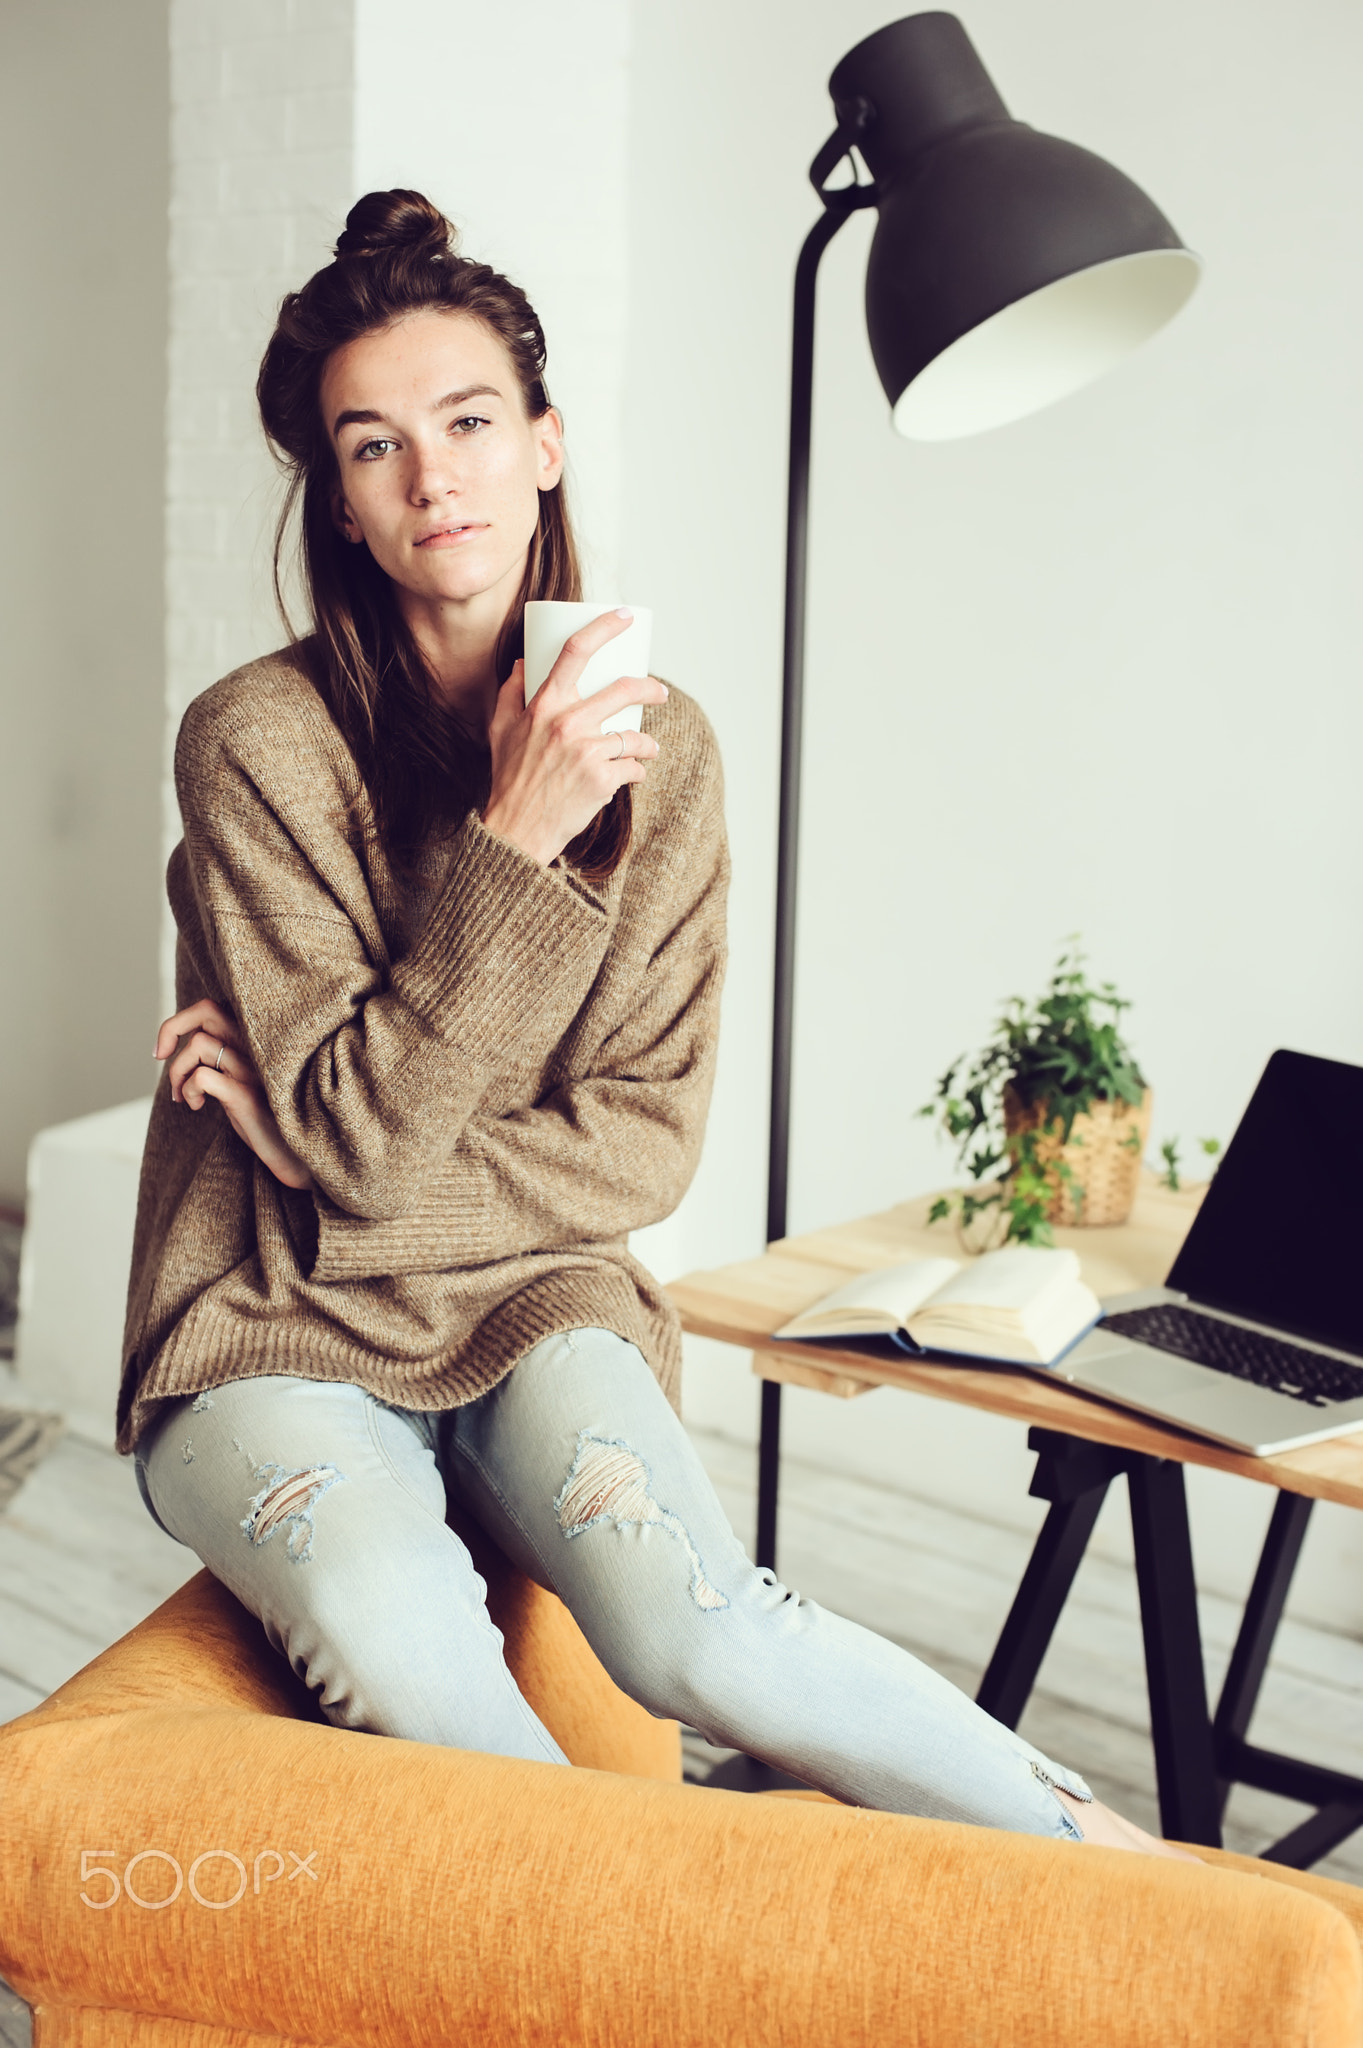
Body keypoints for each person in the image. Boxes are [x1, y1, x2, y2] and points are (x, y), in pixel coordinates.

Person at [123, 187, 1191, 1862]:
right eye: (373, 446)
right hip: (272, 1320)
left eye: (469, 422)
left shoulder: (664, 747)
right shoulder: (255, 742)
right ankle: (660, 1983)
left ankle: (1135, 1888)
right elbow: (370, 1157)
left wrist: (301, 1136)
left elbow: (636, 1143)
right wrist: (515, 847)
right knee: (431, 1691)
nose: (432, 478)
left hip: (532, 1298)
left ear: (545, 444)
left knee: (709, 1636)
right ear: (335, 498)